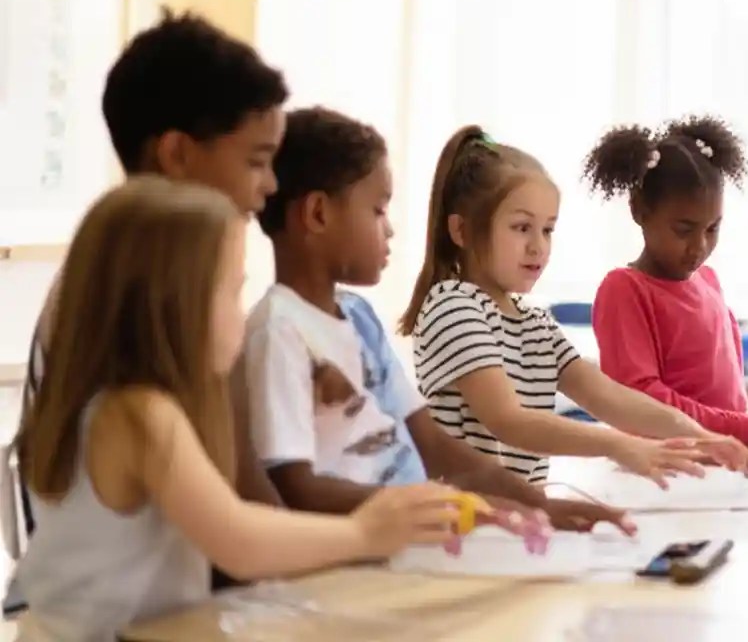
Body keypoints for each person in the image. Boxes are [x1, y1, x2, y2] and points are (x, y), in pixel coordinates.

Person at [11, 179, 474, 641]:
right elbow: (238, 541)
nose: (242, 311)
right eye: (233, 291)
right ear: (175, 304)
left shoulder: (123, 404)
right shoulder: (140, 415)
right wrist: (366, 532)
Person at [239, 107, 631, 534]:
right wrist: (445, 506)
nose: (389, 231)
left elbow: (431, 443)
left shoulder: (358, 316)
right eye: (377, 211)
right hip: (369, 546)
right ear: (317, 214)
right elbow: (294, 488)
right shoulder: (278, 330)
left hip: (418, 528)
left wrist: (536, 504)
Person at [23, 10, 287, 514]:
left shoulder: (109, 270)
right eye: (256, 161)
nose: (271, 185)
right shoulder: (153, 295)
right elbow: (236, 496)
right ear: (177, 155)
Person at [400, 125, 748, 485]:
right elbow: (509, 420)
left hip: (515, 514)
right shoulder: (454, 307)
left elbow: (608, 395)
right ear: (461, 231)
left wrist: (703, 435)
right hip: (463, 523)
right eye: (521, 227)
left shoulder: (532, 321)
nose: (538, 246)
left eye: (547, 230)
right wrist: (616, 444)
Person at [582, 116, 748, 452]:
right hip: (665, 468)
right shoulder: (624, 290)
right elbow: (640, 400)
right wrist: (739, 429)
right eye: (683, 230)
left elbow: (729, 394)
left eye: (712, 229)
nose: (699, 246)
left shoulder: (710, 281)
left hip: (721, 459)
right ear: (639, 210)